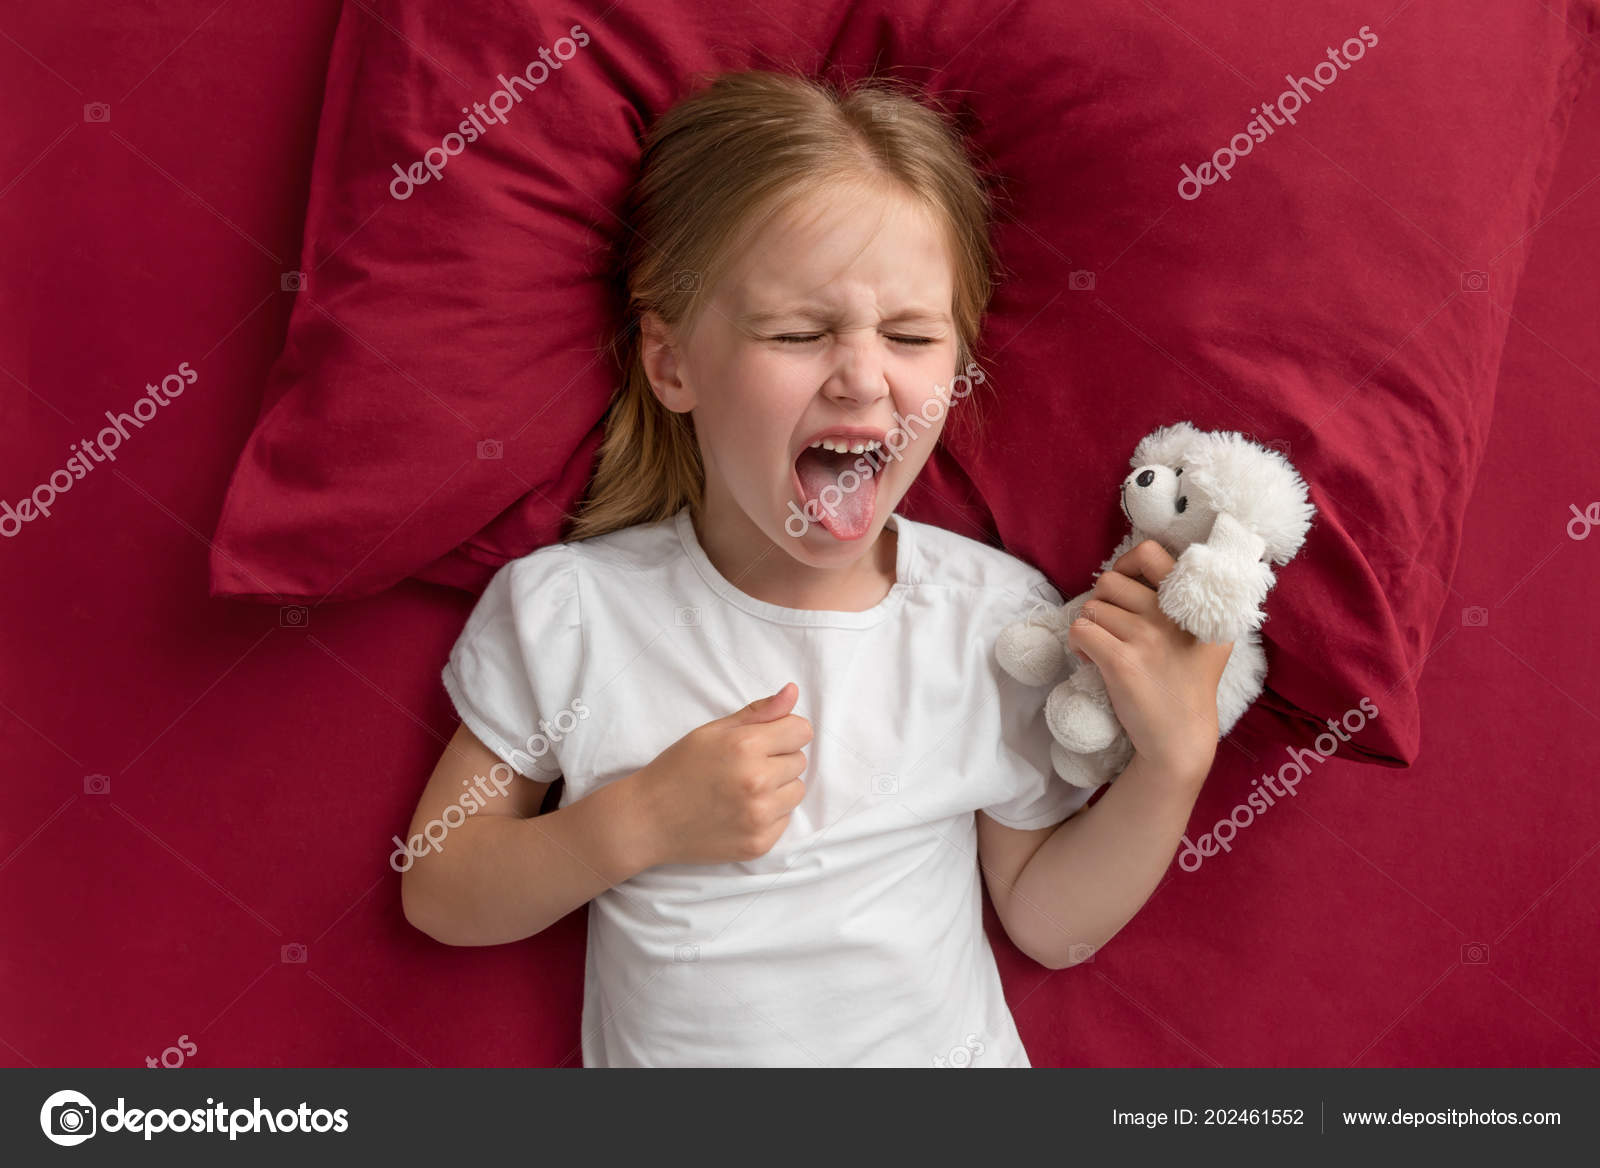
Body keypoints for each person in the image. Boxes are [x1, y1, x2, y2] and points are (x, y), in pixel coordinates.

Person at [400, 69, 1232, 1067]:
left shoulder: (992, 620)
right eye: (798, 333)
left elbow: (1049, 922)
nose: (863, 377)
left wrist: (1171, 766)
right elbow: (440, 886)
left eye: (911, 336)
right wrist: (635, 822)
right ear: (672, 364)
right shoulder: (574, 611)